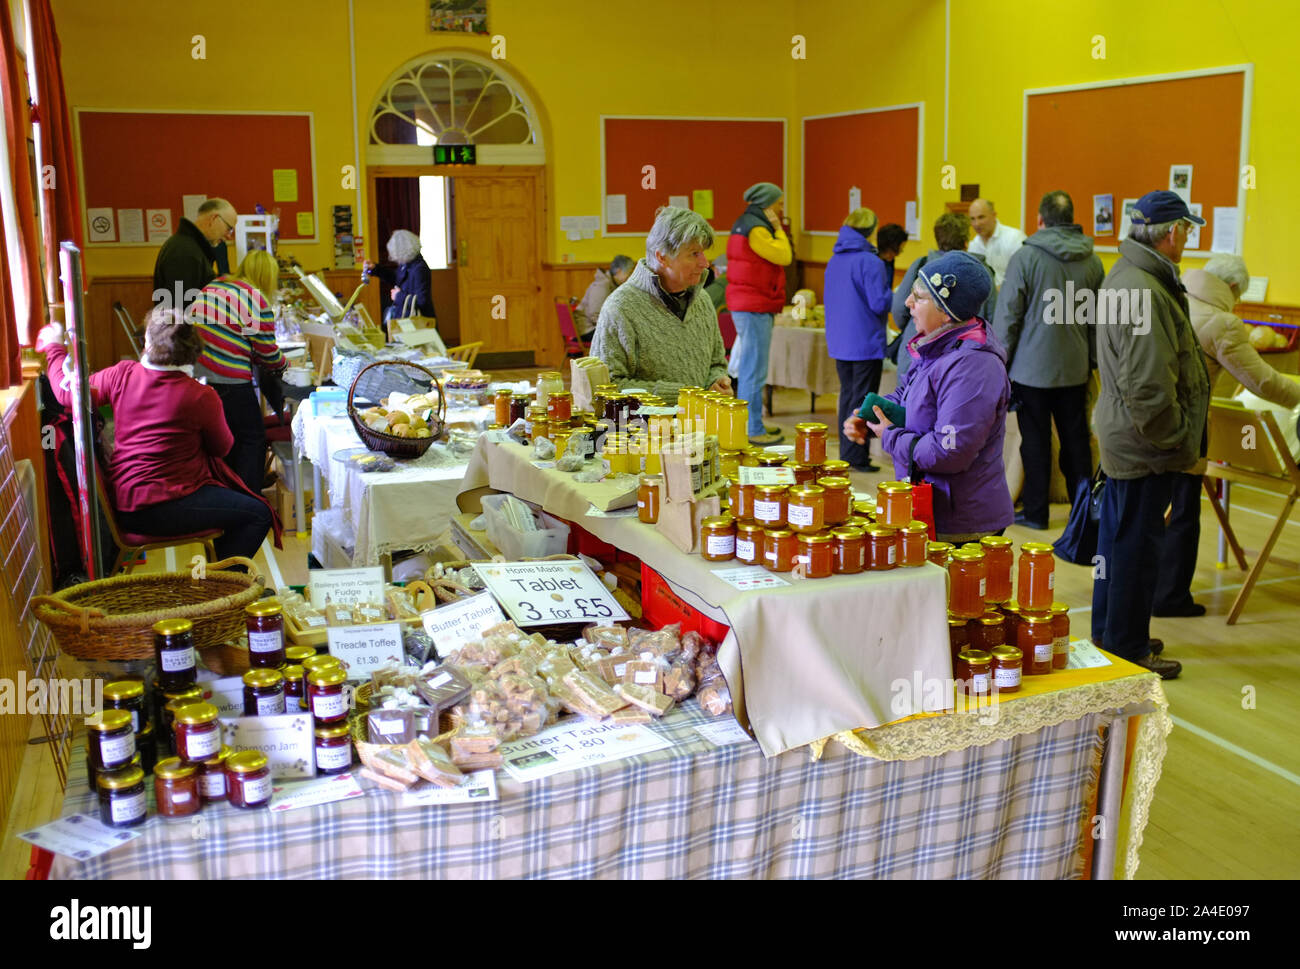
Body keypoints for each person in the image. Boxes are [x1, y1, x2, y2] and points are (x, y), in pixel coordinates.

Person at [36, 308, 276, 565]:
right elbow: (223, 447)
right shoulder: (201, 396)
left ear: (148, 344)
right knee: (259, 514)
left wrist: (54, 347)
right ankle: (226, 581)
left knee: (234, 509)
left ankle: (219, 578)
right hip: (164, 506)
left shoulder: (122, 374)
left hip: (126, 503)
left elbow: (65, 394)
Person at [1092, 190, 1209, 680]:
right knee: (1135, 551)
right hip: (1145, 443)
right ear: (1171, 232)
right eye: (1187, 229)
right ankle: (1128, 648)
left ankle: (1112, 634)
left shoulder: (1131, 275)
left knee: (1119, 543)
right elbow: (1148, 386)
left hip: (1128, 436)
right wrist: (1176, 438)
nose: (1188, 238)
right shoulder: (1145, 287)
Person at [1153, 254, 1300, 617]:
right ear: (1232, 288)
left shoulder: (1173, 297)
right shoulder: (1223, 323)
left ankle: (1144, 589)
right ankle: (1170, 596)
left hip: (1152, 421)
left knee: (1152, 509)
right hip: (1187, 428)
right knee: (1184, 511)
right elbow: (1262, 381)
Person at [845, 251, 1013, 541]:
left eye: (919, 297)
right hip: (935, 509)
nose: (908, 303)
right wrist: (871, 417)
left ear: (947, 312)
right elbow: (907, 396)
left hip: (963, 524)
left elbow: (950, 451)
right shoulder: (938, 345)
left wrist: (889, 436)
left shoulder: (973, 366)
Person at [993, 190, 1104, 530]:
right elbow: (1098, 320)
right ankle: (1084, 514)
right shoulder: (1093, 261)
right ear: (1072, 219)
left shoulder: (1025, 258)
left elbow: (1008, 317)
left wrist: (998, 360)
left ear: (1040, 220)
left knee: (1035, 441)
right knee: (1077, 441)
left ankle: (1036, 512)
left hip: (1030, 369)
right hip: (1075, 368)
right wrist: (1092, 361)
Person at [590, 206, 730, 404]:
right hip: (642, 424)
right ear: (662, 257)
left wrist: (717, 381)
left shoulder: (703, 300)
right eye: (694, 254)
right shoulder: (620, 308)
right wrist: (681, 395)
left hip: (701, 420)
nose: (705, 263)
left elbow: (716, 363)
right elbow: (606, 388)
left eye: (703, 253)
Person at [189, 249, 287, 494]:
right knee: (252, 438)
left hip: (197, 376)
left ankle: (228, 492)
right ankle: (250, 498)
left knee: (223, 440)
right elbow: (268, 353)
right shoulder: (256, 299)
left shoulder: (214, 286)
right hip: (229, 379)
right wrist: (285, 365)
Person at [824, 207, 893, 472]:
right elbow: (879, 303)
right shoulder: (870, 261)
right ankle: (857, 457)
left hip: (840, 340)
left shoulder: (835, 259)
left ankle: (847, 452)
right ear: (871, 231)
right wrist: (895, 295)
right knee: (863, 399)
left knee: (847, 396)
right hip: (865, 341)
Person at [891, 212, 997, 379]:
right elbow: (992, 319)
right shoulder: (981, 274)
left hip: (917, 349)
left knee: (910, 392)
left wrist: (916, 325)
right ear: (966, 241)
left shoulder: (922, 264)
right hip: (963, 355)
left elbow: (899, 308)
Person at [725, 182, 792, 446]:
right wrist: (778, 229)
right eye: (779, 203)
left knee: (751, 368)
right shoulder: (757, 228)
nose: (782, 208)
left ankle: (754, 425)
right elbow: (784, 256)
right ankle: (752, 429)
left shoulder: (745, 223)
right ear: (767, 205)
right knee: (753, 370)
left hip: (749, 304)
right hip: (754, 305)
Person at [152, 197, 237, 311]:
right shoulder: (185, 252)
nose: (229, 236)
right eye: (229, 229)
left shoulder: (189, 246)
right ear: (214, 219)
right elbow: (179, 310)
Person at [365, 229, 434, 321]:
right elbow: (395, 278)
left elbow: (422, 301)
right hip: (406, 318)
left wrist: (398, 296)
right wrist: (375, 269)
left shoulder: (419, 269)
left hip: (417, 321)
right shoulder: (407, 264)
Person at [967, 197, 1027, 286]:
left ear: (994, 215)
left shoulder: (1014, 238)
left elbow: (1025, 275)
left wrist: (1000, 290)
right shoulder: (973, 246)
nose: (977, 223)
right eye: (972, 219)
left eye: (981, 217)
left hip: (1012, 293)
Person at [573, 256, 634, 338]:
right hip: (588, 329)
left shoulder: (612, 284)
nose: (630, 277)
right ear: (619, 271)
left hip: (593, 327)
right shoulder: (602, 286)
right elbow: (595, 316)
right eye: (629, 273)